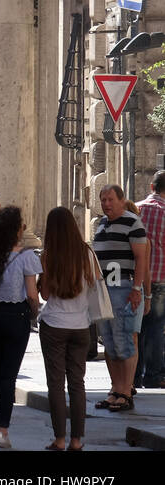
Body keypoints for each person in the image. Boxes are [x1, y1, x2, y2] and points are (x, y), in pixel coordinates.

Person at [0, 205, 42, 448]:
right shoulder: (27, 257)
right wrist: (33, 315)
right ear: (17, 230)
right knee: (9, 376)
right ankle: (3, 431)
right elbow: (32, 295)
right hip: (17, 315)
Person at [38, 206, 99, 451]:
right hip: (81, 326)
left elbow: (44, 294)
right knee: (77, 383)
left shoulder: (48, 255)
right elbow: (95, 283)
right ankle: (76, 440)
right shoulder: (86, 252)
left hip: (54, 323)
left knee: (55, 383)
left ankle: (59, 439)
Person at [91, 184, 150, 412]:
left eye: (110, 199)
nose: (106, 204)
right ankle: (115, 389)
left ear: (121, 200)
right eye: (103, 199)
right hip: (105, 290)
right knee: (109, 341)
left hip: (124, 288)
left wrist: (137, 289)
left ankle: (126, 391)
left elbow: (141, 258)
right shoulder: (101, 224)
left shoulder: (132, 222)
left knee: (124, 339)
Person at [135, 171, 165, 390]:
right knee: (156, 327)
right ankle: (153, 375)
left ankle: (134, 376)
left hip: (137, 278)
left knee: (137, 329)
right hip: (161, 278)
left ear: (152, 188)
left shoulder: (135, 210)